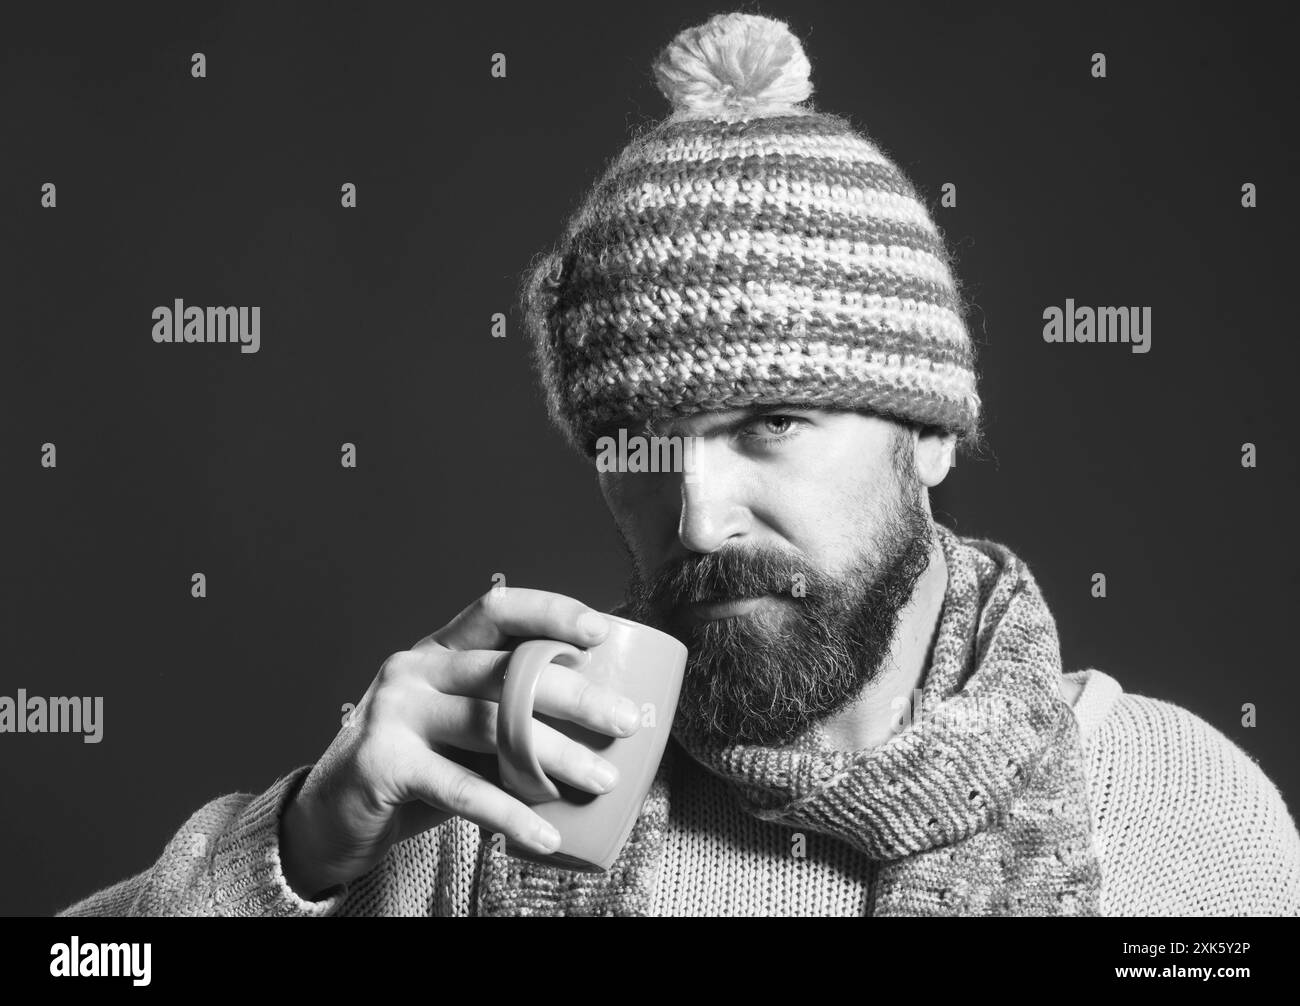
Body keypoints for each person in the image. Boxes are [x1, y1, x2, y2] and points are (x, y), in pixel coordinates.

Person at [59, 11, 1300, 917]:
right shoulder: (500, 811)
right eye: (635, 443)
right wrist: (298, 845)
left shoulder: (1181, 820)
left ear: (928, 431)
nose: (696, 515)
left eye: (771, 421)